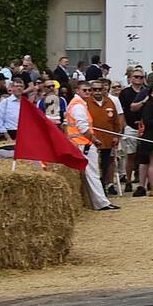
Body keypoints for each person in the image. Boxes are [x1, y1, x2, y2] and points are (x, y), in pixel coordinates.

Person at [64, 80, 120, 210]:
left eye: (89, 90)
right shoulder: (78, 106)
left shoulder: (77, 103)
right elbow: (83, 128)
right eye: (85, 90)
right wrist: (95, 140)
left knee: (91, 173)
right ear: (77, 91)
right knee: (93, 173)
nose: (88, 92)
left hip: (81, 143)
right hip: (84, 144)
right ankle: (102, 203)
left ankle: (98, 202)